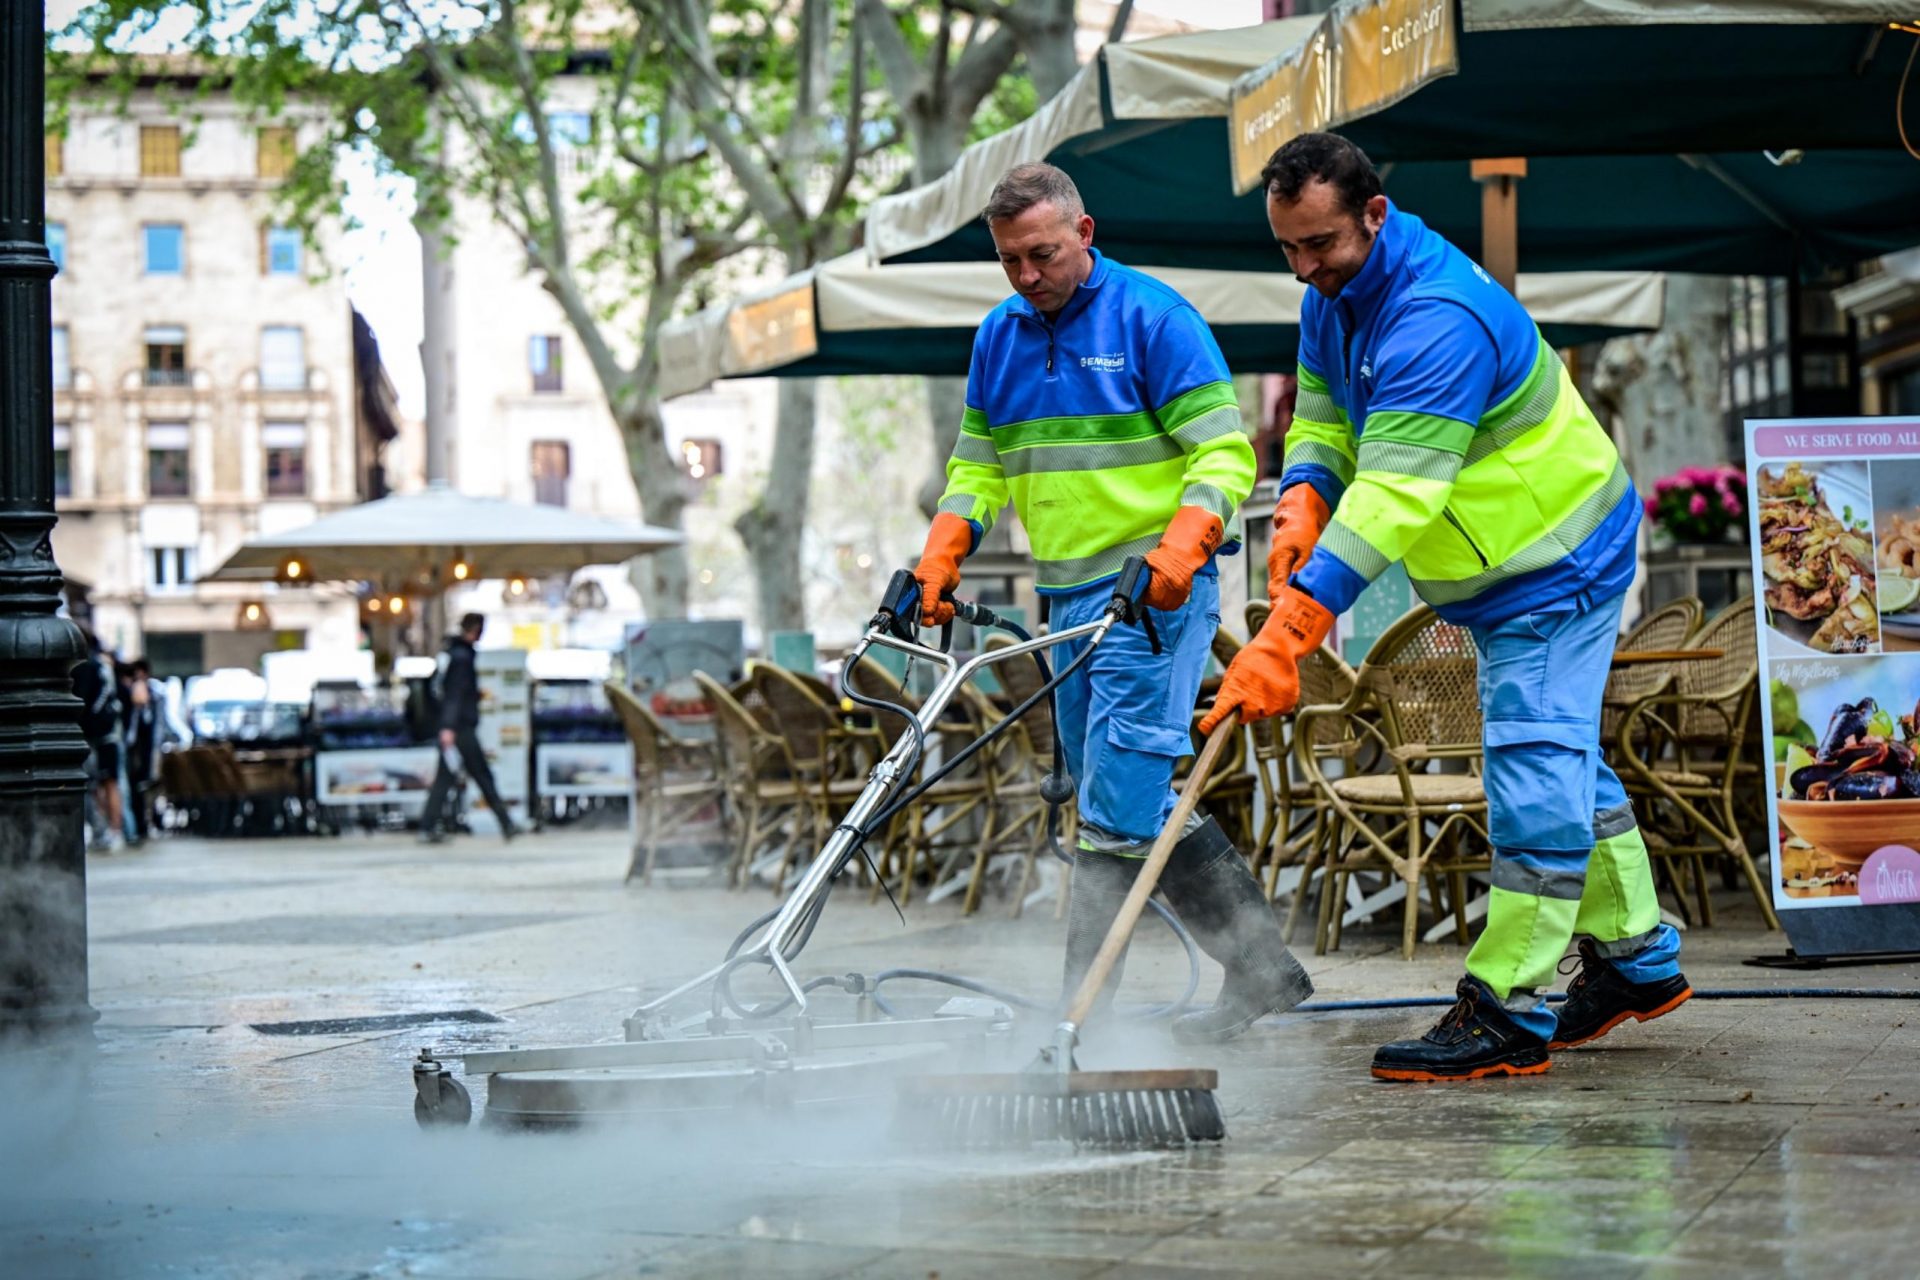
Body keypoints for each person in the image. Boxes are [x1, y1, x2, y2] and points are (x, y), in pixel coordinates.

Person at [1203, 133, 1687, 1081]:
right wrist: (1301, 501)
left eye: (1320, 244)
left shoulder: (1437, 317)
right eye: (1288, 248)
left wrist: (1290, 632)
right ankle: (1637, 956)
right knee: (1559, 754)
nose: (1304, 268)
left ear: (1374, 214)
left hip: (1556, 560)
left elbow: (1394, 496)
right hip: (1504, 567)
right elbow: (1324, 417)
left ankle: (1509, 1006)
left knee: (1532, 764)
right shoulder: (1333, 297)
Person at [912, 161, 1312, 1042]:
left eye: (1043, 255)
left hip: (1152, 593)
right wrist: (942, 554)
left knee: (1117, 803)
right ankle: (1261, 966)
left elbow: (1225, 456)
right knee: (1118, 795)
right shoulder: (998, 338)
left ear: (1084, 234)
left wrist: (1181, 548)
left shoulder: (1154, 319)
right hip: (1065, 599)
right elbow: (977, 467)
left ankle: (1081, 1015)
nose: (1027, 275)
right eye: (1010, 260)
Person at [419, 612, 519, 844]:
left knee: (446, 778)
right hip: (460, 728)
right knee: (481, 774)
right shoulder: (462, 657)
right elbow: (455, 694)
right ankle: (506, 823)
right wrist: (449, 726)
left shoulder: (451, 653)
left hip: (454, 726)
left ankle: (428, 825)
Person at [70, 631, 124, 852]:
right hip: (109, 732)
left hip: (93, 734)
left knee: (98, 784)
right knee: (108, 783)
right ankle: (112, 830)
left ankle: (108, 830)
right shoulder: (103, 667)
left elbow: (82, 701)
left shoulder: (85, 667)